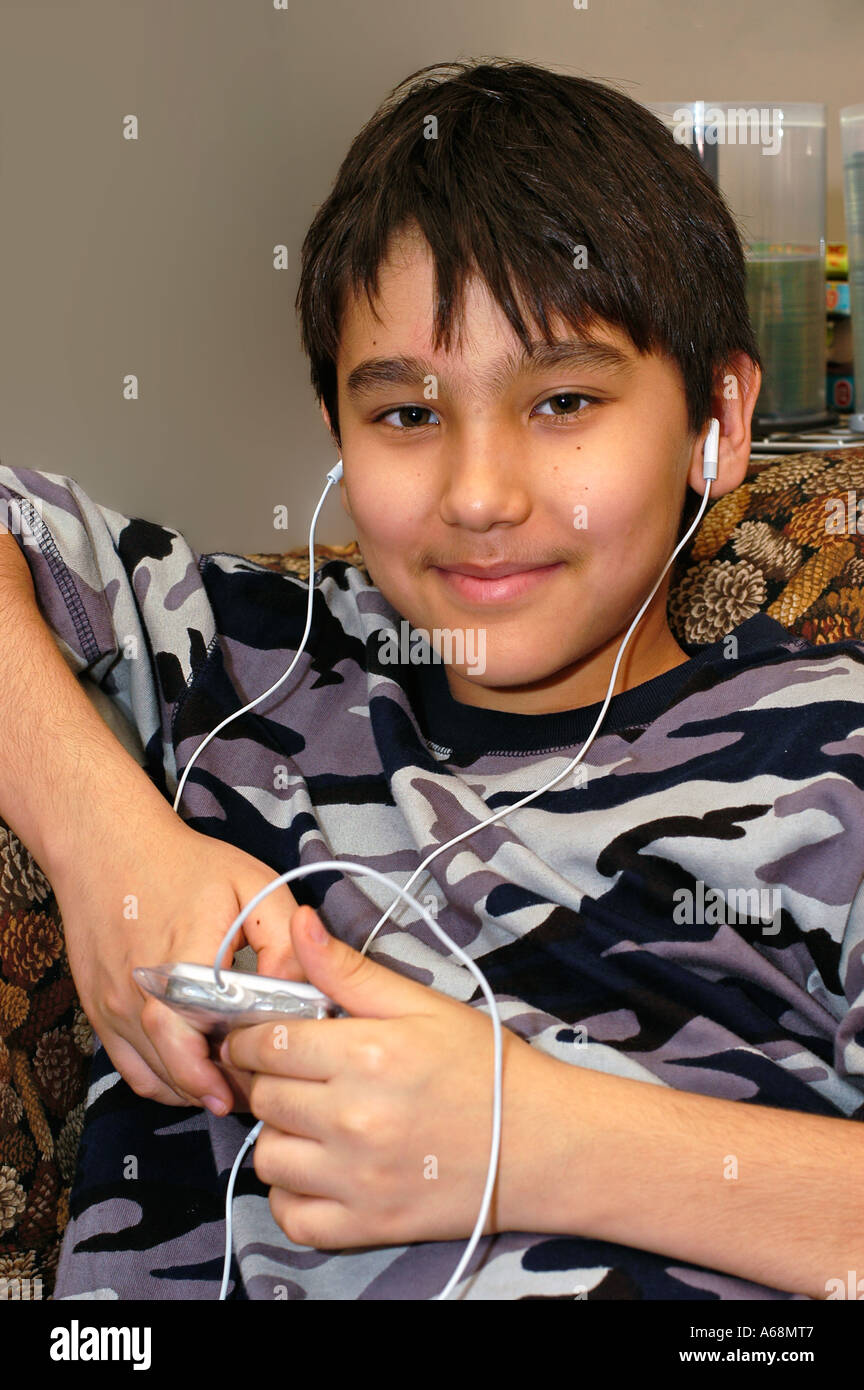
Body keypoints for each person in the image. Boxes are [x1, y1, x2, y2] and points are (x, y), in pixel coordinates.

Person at [1, 57, 863, 1301]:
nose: (478, 496)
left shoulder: (831, 763)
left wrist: (530, 1142)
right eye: (406, 415)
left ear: (717, 421)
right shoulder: (237, 664)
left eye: (563, 400)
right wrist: (108, 843)